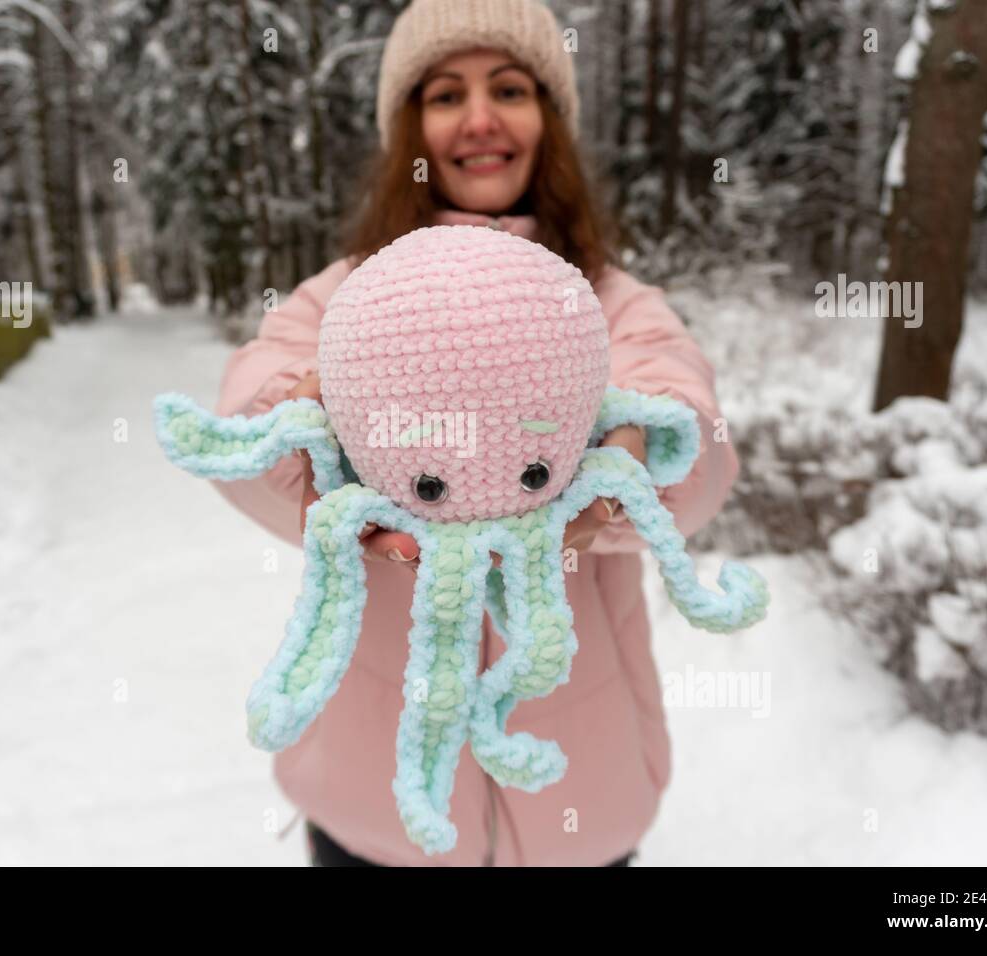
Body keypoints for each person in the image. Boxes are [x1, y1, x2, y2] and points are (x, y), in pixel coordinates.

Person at [211, 0, 738, 866]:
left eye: (511, 88)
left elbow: (693, 429)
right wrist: (310, 431)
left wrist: (621, 457)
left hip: (581, 804)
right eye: (446, 94)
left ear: (549, 121)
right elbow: (243, 415)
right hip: (371, 806)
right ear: (410, 127)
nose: (482, 118)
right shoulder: (351, 293)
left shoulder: (609, 298)